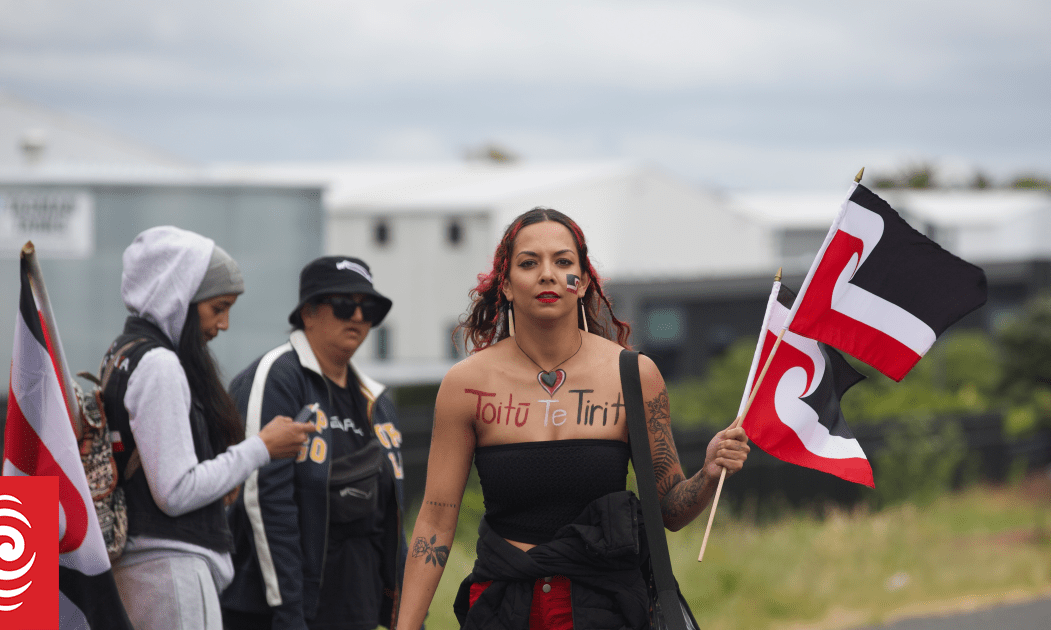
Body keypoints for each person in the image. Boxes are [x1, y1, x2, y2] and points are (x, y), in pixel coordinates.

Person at [396, 208, 752, 629]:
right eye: (529, 263)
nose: (548, 274)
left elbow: (670, 511)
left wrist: (709, 473)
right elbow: (436, 520)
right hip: (504, 608)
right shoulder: (467, 385)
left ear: (581, 282)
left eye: (563, 262)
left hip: (606, 609)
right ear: (506, 285)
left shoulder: (634, 375)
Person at [107, 226, 318, 630]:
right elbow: (175, 491)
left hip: (146, 569)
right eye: (217, 307)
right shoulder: (161, 364)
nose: (222, 324)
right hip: (170, 574)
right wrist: (261, 447)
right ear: (179, 298)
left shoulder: (123, 354)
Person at [221, 256, 412, 630]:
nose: (358, 317)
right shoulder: (277, 378)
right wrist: (289, 612)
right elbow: (262, 497)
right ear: (308, 313)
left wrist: (403, 606)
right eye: (344, 304)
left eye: (368, 307)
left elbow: (392, 516)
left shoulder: (378, 402)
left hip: (356, 607)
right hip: (273, 612)